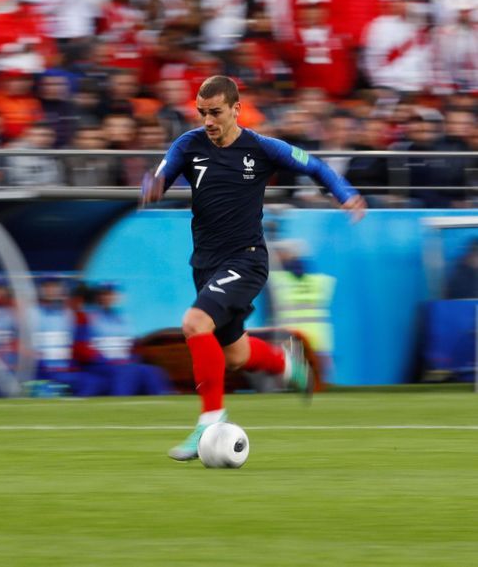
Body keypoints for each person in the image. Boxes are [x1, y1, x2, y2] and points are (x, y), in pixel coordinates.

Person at [141, 75, 366, 462]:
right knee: (235, 356)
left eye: (215, 113)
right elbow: (161, 173)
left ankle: (210, 423)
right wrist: (153, 185)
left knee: (195, 323)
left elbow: (313, 165)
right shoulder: (189, 145)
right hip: (206, 264)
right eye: (202, 113)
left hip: (246, 260)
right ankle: (285, 364)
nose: (208, 121)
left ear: (235, 109)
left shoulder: (261, 148)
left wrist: (344, 193)